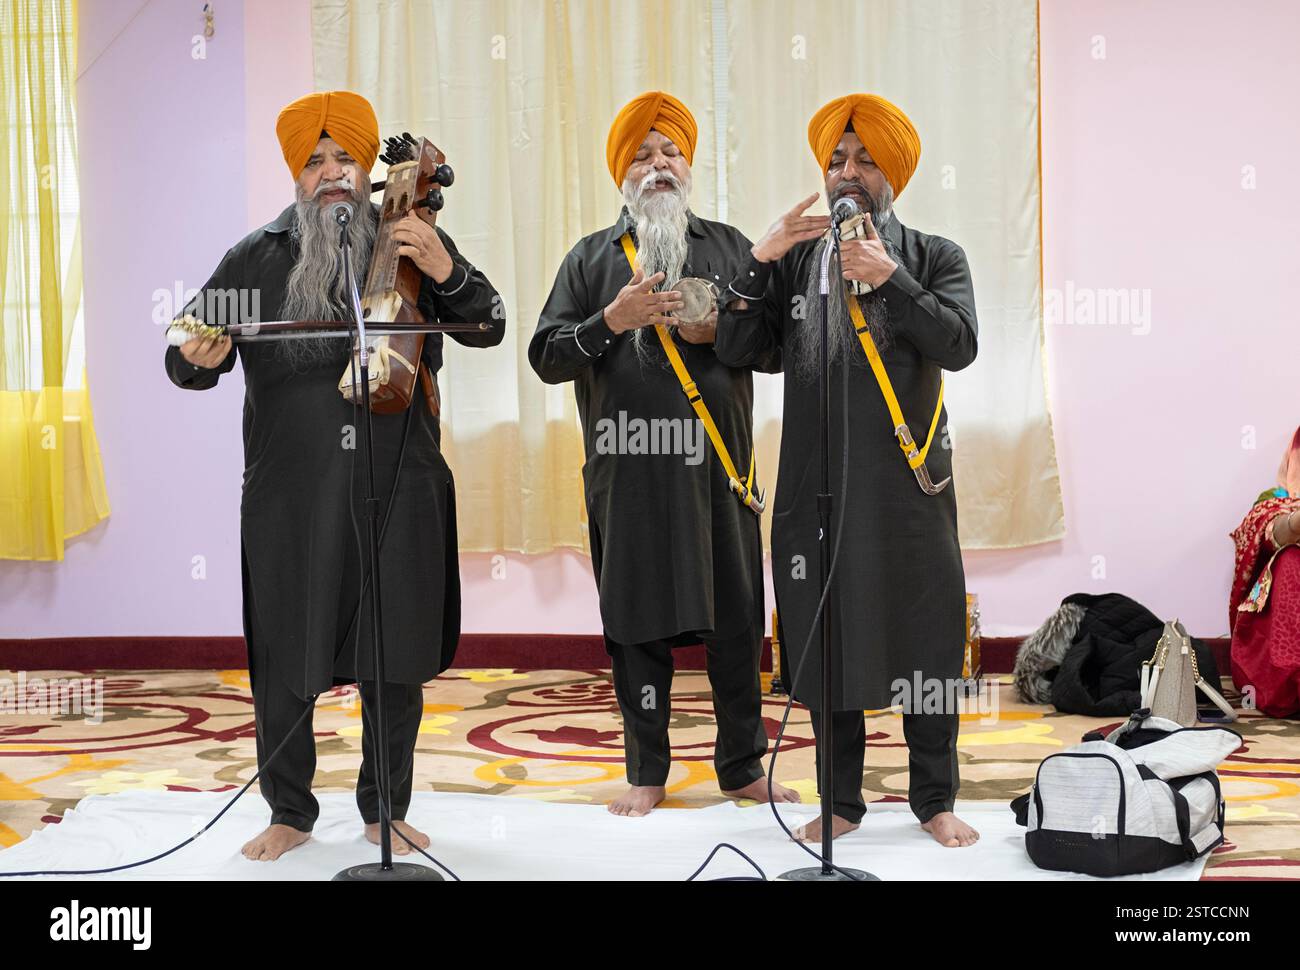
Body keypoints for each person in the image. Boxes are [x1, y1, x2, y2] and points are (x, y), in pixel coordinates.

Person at [164, 90, 504, 860]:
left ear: (367, 168)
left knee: (395, 652)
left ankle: (386, 809)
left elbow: (490, 324)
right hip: (290, 497)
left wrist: (446, 268)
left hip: (400, 487)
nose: (332, 173)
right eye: (315, 161)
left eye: (345, 157)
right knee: (284, 655)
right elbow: (183, 352)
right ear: (297, 174)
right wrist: (194, 355)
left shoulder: (412, 239)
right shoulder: (255, 255)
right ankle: (289, 811)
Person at [715, 93, 979, 847]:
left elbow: (960, 344)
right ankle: (841, 802)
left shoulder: (934, 256)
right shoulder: (799, 261)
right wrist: (759, 261)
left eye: (864, 159)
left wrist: (891, 277)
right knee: (827, 639)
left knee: (926, 641)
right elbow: (739, 349)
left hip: (908, 493)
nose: (848, 172)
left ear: (893, 173)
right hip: (815, 493)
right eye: (836, 160)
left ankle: (934, 799)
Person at [529, 91, 798, 817]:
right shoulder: (590, 258)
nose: (659, 165)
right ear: (622, 173)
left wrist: (717, 334)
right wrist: (610, 321)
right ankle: (646, 769)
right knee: (636, 626)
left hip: (719, 472)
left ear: (689, 165)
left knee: (736, 625)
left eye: (670, 151)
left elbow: (777, 348)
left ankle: (741, 765)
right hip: (629, 475)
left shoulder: (734, 249)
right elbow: (547, 357)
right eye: (643, 155)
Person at [1230, 426, 1300, 716]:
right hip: (1287, 607)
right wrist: (1296, 521)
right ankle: (1291, 681)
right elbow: (1270, 533)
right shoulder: (1275, 499)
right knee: (1291, 560)